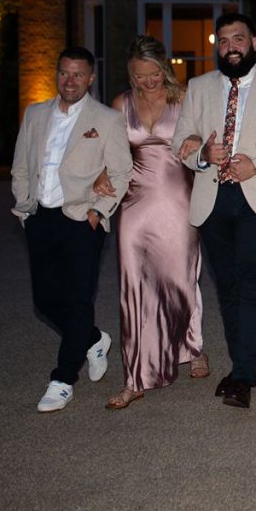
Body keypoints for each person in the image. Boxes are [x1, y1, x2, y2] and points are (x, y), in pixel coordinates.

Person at [172, 13, 256, 410]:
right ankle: (238, 367)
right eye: (223, 41)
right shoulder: (197, 87)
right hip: (212, 199)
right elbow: (178, 141)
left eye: (238, 39)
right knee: (228, 288)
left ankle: (244, 375)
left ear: (253, 43)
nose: (230, 46)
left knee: (251, 286)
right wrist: (202, 153)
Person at [10, 46, 133, 412]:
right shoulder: (34, 114)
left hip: (83, 219)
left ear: (90, 78)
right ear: (56, 73)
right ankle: (94, 339)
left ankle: (63, 378)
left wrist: (99, 212)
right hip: (40, 217)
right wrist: (23, 207)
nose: (70, 81)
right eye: (64, 73)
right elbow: (20, 164)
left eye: (78, 74)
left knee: (78, 298)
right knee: (45, 301)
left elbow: (122, 171)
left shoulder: (107, 119)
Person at [92, 36, 210, 410]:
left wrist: (200, 145)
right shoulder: (120, 104)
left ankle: (192, 345)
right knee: (133, 287)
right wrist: (100, 174)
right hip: (135, 204)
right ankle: (134, 377)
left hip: (178, 200)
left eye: (153, 73)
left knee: (180, 279)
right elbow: (111, 152)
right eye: (140, 76)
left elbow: (208, 143)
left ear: (164, 68)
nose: (148, 82)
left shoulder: (186, 99)